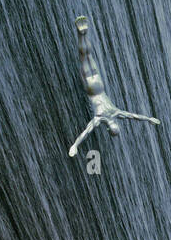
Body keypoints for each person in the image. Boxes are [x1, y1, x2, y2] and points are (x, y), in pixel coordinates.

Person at [68, 16, 161, 157]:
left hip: (99, 84)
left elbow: (133, 116)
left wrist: (149, 119)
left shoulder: (116, 113)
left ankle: (84, 33)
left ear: (116, 125)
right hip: (91, 89)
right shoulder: (99, 118)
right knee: (83, 58)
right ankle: (80, 34)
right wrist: (75, 146)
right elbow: (86, 132)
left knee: (89, 56)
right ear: (107, 129)